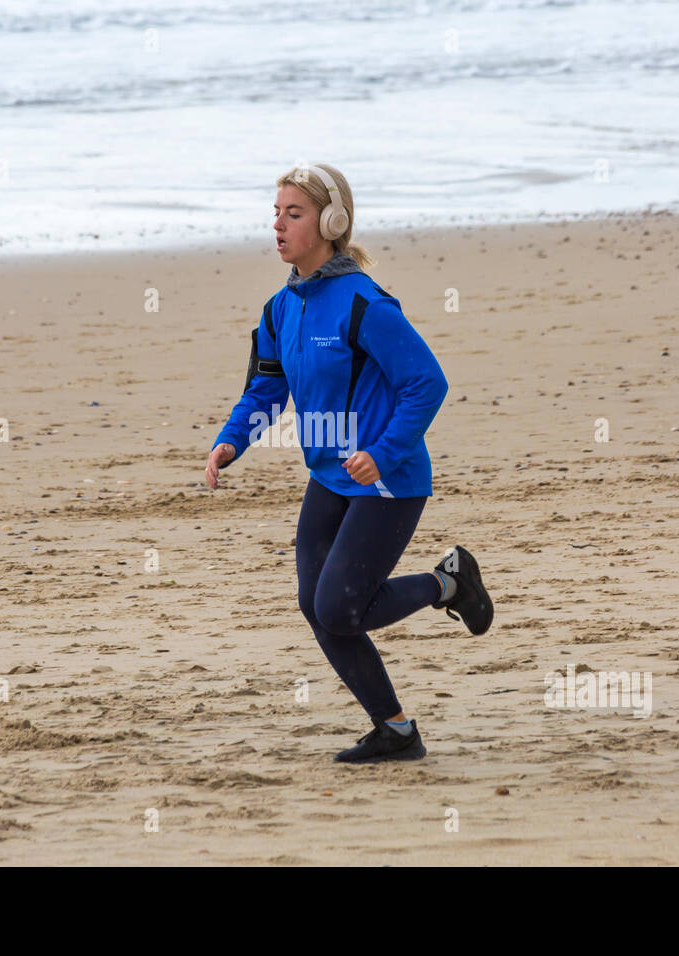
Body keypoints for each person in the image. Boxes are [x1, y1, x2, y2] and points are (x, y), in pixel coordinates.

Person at [205, 163, 493, 763]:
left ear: (331, 223)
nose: (279, 225)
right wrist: (232, 442)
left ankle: (449, 582)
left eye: (294, 213)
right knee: (318, 607)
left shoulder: (364, 303)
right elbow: (266, 390)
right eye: (276, 212)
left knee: (339, 604)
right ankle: (395, 730)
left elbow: (427, 384)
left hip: (389, 481)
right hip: (328, 478)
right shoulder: (280, 310)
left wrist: (383, 452)